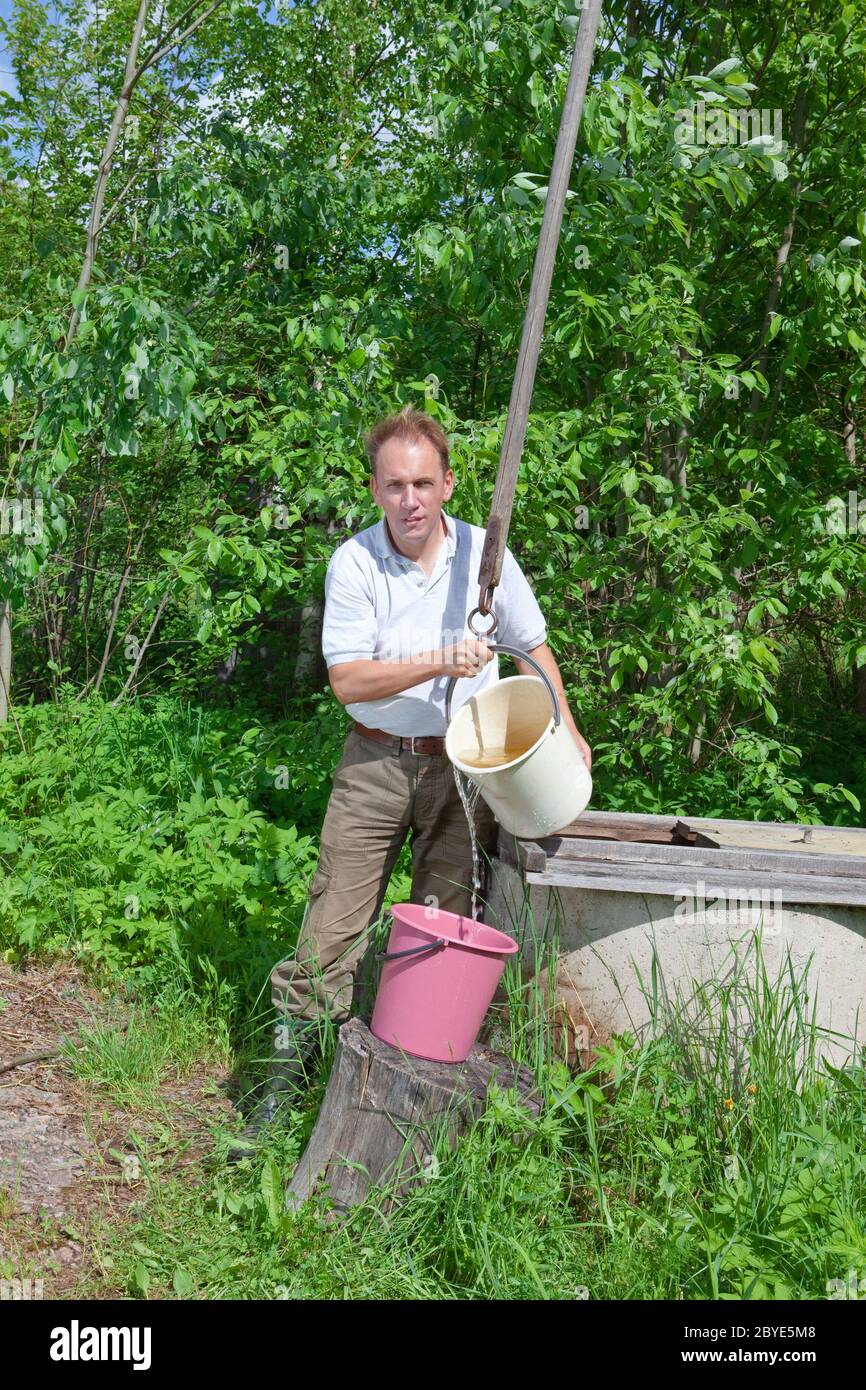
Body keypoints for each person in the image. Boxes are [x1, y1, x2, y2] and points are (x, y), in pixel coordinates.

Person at [226, 406, 591, 1158]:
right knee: (329, 934)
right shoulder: (355, 564)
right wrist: (440, 660)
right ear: (375, 490)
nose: (411, 500)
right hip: (375, 763)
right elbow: (348, 681)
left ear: (448, 483)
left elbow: (532, 645)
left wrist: (567, 725)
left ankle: (412, 1110)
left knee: (440, 935)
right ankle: (280, 1094)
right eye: (395, 486)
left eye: (424, 482)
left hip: (467, 765)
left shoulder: (485, 556)